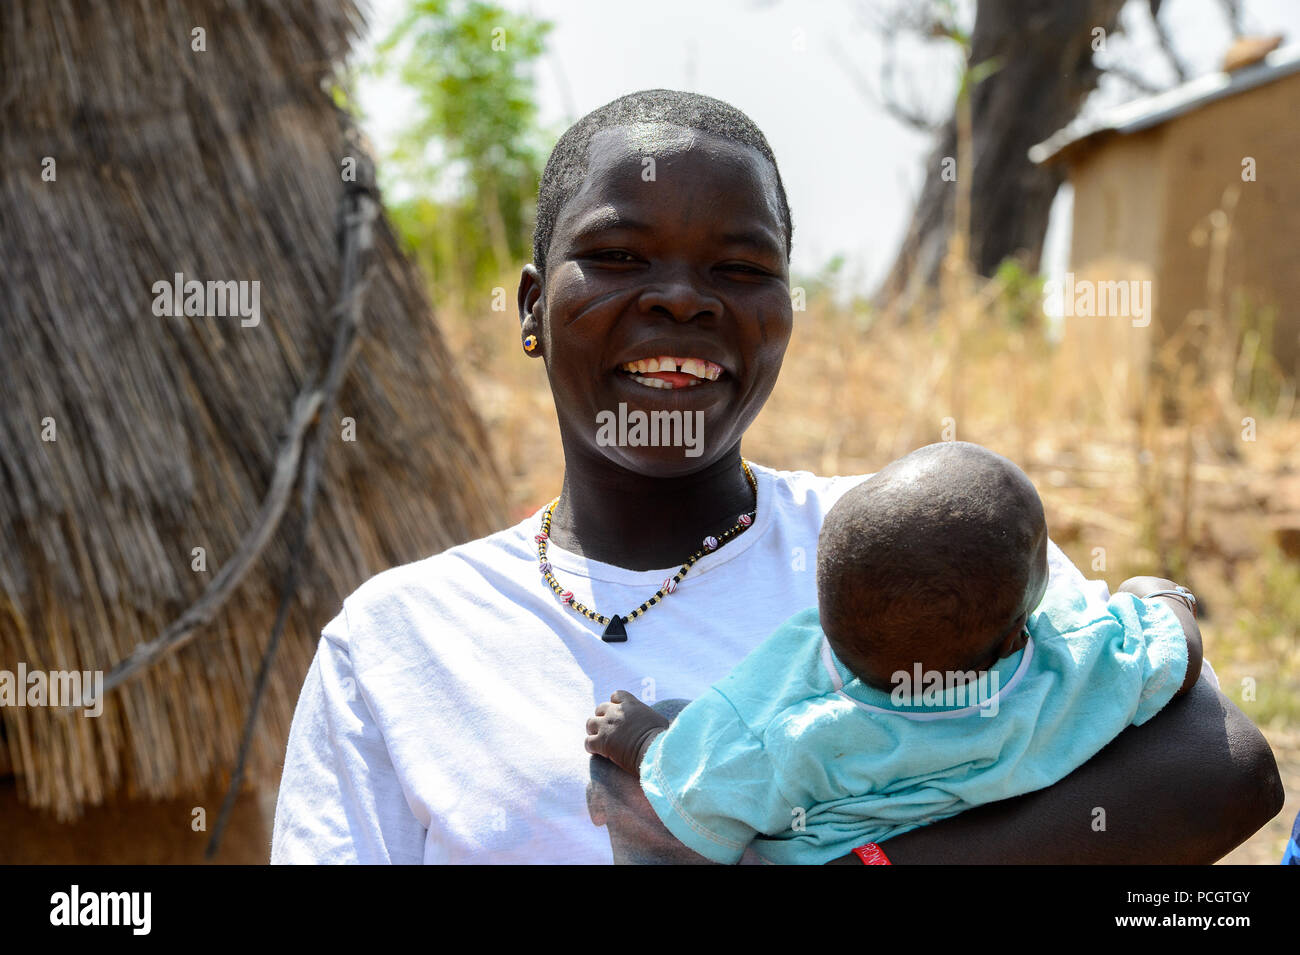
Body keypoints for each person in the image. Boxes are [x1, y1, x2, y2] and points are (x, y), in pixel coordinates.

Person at [270, 89, 1282, 864]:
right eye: (618, 256)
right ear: (532, 306)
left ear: (788, 311)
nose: (680, 299)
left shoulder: (908, 546)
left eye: (740, 269)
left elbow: (1220, 768)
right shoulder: (398, 641)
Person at [584, 442, 1205, 864]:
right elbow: (1176, 656)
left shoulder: (795, 727)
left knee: (670, 730)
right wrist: (1158, 592)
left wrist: (642, 744)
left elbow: (700, 794)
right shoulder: (1068, 672)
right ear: (1018, 631)